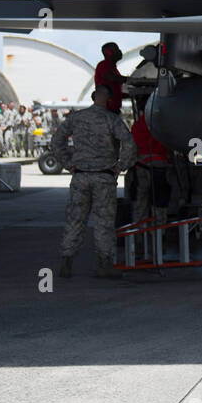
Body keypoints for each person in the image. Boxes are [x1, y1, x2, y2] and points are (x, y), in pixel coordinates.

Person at [53, 85, 135, 279]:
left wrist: (68, 163)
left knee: (75, 219)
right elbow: (129, 143)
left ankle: (66, 261)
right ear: (108, 99)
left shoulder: (76, 118)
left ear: (92, 97)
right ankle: (104, 264)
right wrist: (121, 166)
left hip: (80, 176)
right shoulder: (112, 119)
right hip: (104, 177)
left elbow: (57, 140)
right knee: (103, 222)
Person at [131, 96, 170, 226]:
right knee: (159, 200)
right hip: (159, 165)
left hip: (142, 165)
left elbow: (133, 147)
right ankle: (160, 230)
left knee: (140, 199)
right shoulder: (161, 124)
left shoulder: (137, 126)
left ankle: (139, 230)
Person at [94, 42, 127, 114]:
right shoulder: (103, 65)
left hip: (113, 110)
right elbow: (112, 78)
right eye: (116, 49)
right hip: (106, 110)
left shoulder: (114, 69)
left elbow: (115, 92)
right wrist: (131, 80)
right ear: (108, 53)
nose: (120, 51)